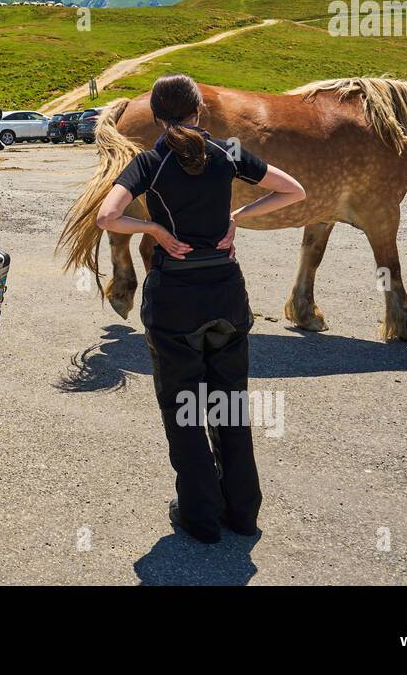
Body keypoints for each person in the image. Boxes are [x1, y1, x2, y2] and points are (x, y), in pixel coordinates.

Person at [96, 74, 305, 544]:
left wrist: (153, 232)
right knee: (229, 403)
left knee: (182, 408)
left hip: (175, 300)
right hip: (227, 294)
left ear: (158, 115)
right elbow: (293, 190)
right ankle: (243, 512)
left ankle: (201, 515)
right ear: (199, 112)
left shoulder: (149, 163)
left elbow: (106, 217)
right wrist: (239, 217)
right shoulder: (228, 153)